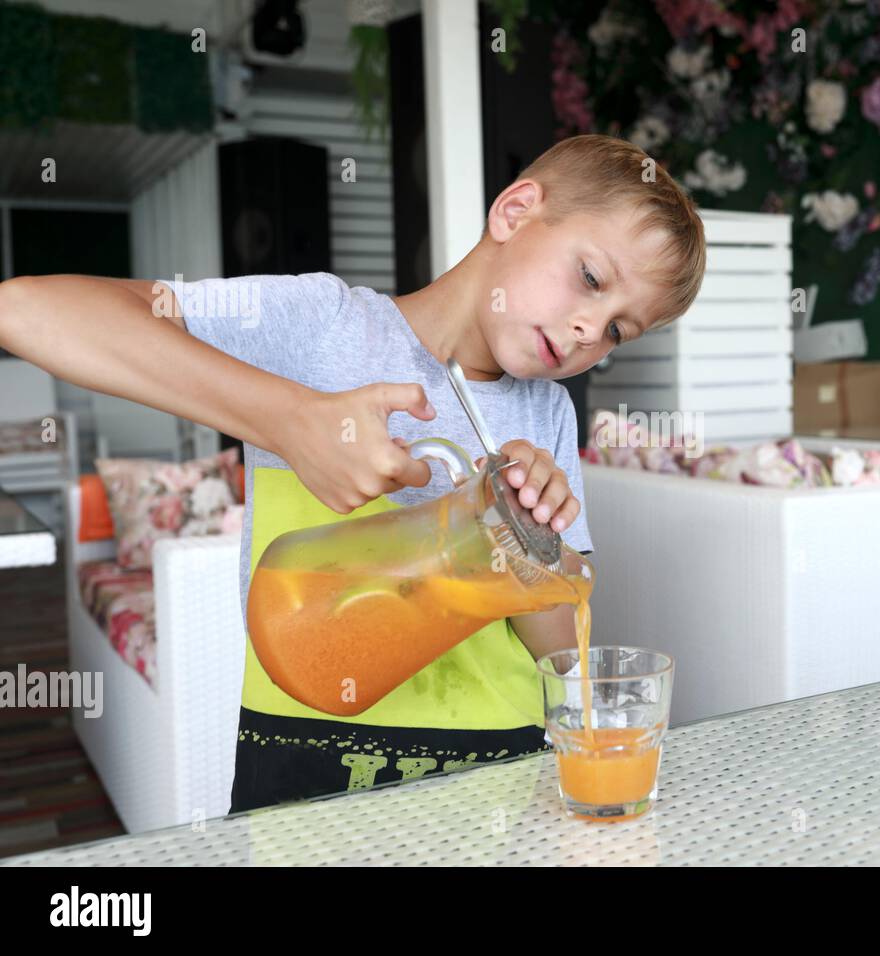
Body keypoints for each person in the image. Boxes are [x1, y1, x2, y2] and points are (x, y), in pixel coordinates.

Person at [0, 133, 706, 811]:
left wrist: (532, 543)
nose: (591, 330)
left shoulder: (547, 413)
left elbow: (564, 655)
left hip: (504, 776)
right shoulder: (325, 329)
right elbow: (28, 311)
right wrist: (290, 418)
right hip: (315, 762)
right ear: (516, 212)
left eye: (618, 329)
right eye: (590, 279)